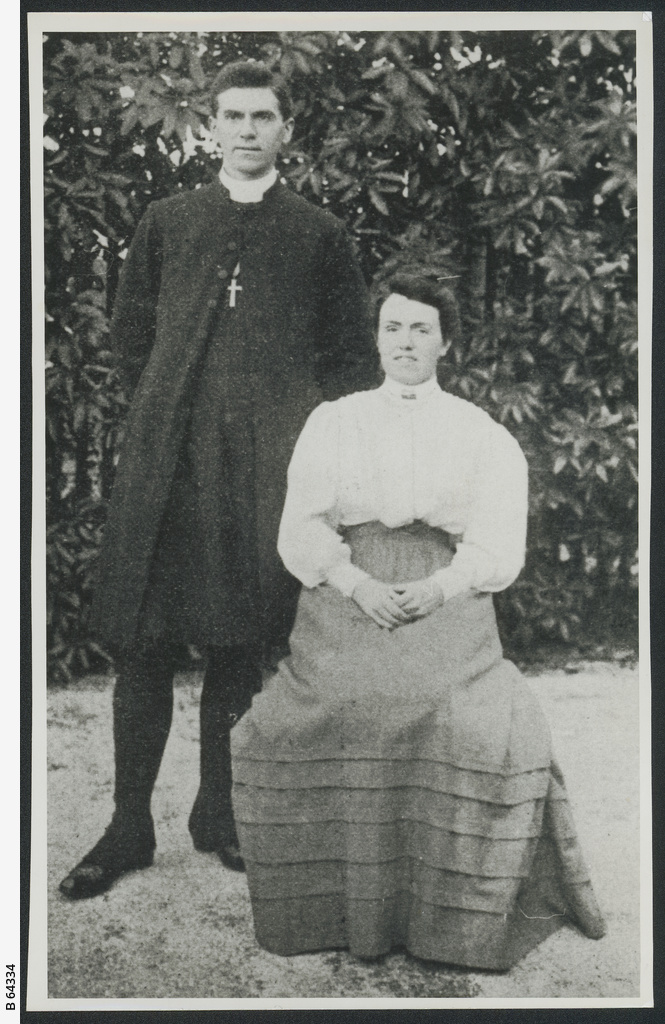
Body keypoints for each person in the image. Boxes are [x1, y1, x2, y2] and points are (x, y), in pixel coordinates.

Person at [59, 61, 376, 900]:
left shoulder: (318, 234)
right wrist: (173, 414)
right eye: (231, 115)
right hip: (169, 465)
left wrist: (289, 433)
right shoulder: (169, 221)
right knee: (146, 644)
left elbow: (347, 357)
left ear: (284, 129)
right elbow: (131, 337)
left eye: (261, 116)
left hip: (262, 470)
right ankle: (129, 824)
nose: (245, 129)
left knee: (239, 642)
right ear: (211, 128)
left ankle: (220, 813)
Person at [231, 273, 607, 970]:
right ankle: (334, 907)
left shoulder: (479, 432)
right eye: (393, 327)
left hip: (447, 588)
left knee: (458, 715)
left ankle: (443, 922)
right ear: (375, 339)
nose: (406, 341)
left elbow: (496, 545)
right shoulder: (333, 421)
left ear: (445, 343)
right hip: (348, 585)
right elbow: (301, 530)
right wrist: (354, 582)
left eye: (421, 328)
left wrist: (437, 589)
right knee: (327, 706)